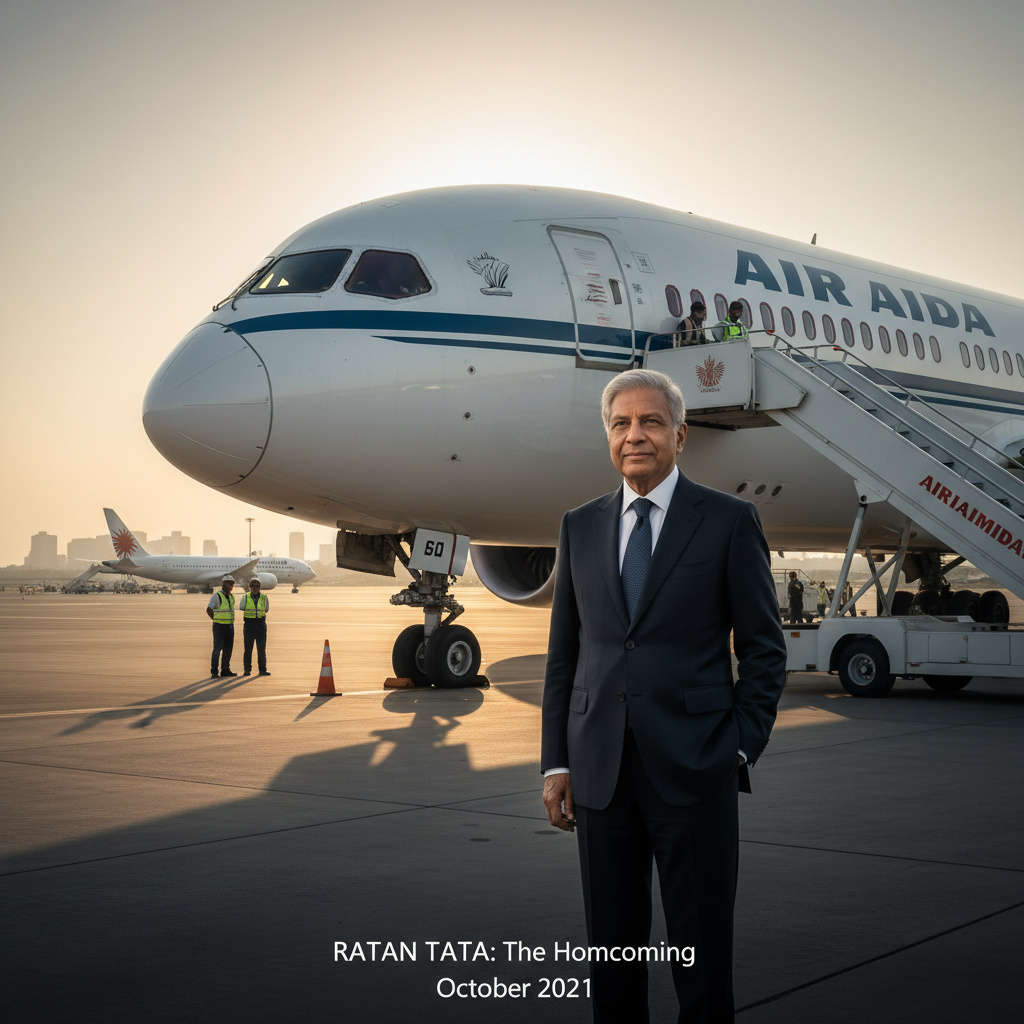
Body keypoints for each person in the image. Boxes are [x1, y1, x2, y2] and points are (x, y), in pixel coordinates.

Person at [541, 367, 786, 1023]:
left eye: (650, 422)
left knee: (702, 966)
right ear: (607, 436)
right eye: (621, 424)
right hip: (599, 778)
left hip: (696, 769)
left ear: (681, 435)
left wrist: (738, 749)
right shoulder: (579, 526)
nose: (635, 435)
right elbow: (566, 655)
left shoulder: (729, 522)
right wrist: (556, 762)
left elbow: (764, 649)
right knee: (612, 966)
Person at [206, 575, 237, 678]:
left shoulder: (231, 596)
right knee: (217, 650)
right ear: (224, 584)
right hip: (219, 627)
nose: (230, 586)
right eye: (228, 584)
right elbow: (209, 610)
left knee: (228, 649)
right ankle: (214, 671)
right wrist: (216, 620)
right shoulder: (217, 596)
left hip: (229, 627)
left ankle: (225, 670)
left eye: (231, 584)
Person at [240, 576, 271, 676]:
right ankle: (247, 670)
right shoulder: (245, 597)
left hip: (260, 625)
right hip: (249, 625)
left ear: (260, 587)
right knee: (248, 649)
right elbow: (241, 607)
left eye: (257, 586)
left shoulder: (264, 597)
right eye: (253, 586)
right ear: (249, 586)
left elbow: (266, 609)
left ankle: (262, 669)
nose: (255, 588)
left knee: (261, 649)